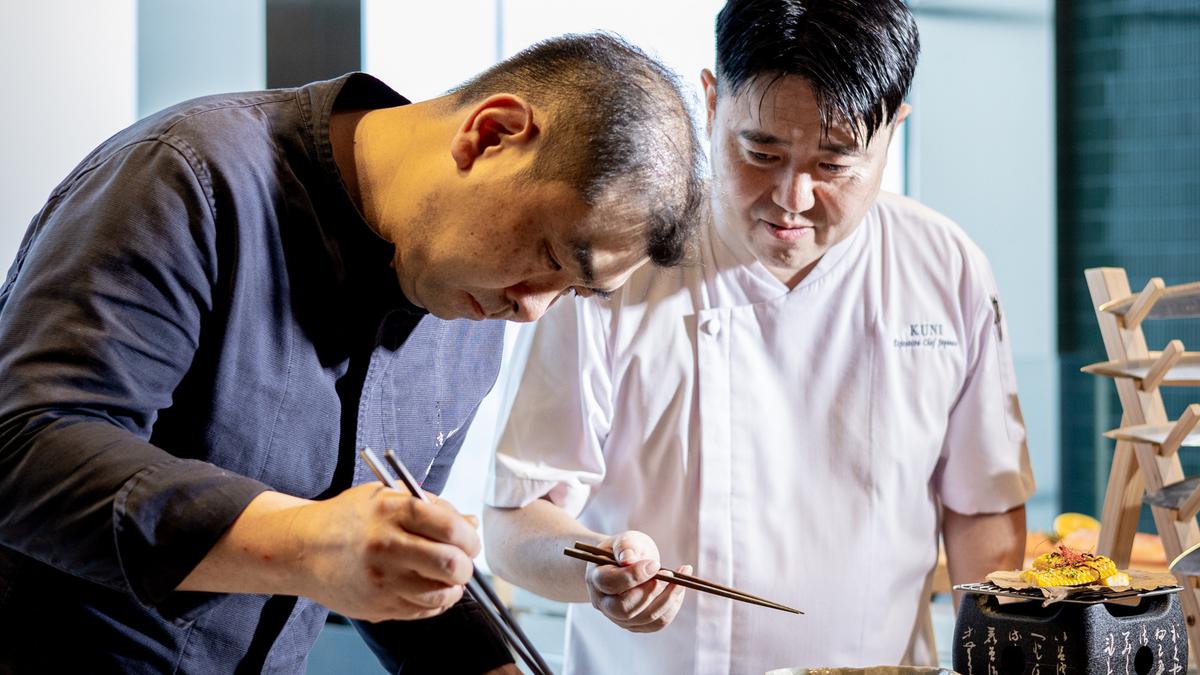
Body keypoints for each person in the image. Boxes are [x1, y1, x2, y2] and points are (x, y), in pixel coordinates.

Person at [0, 33, 703, 674]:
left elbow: (385, 563)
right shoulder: (187, 179)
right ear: (491, 134)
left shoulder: (471, 311)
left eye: (573, 292)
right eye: (548, 254)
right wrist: (307, 541)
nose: (530, 308)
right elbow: (24, 451)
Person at [484, 2, 1035, 672]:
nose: (793, 198)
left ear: (893, 130)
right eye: (762, 152)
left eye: (834, 164)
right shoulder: (621, 258)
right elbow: (514, 522)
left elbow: (983, 513)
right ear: (711, 104)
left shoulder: (945, 268)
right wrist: (599, 574)